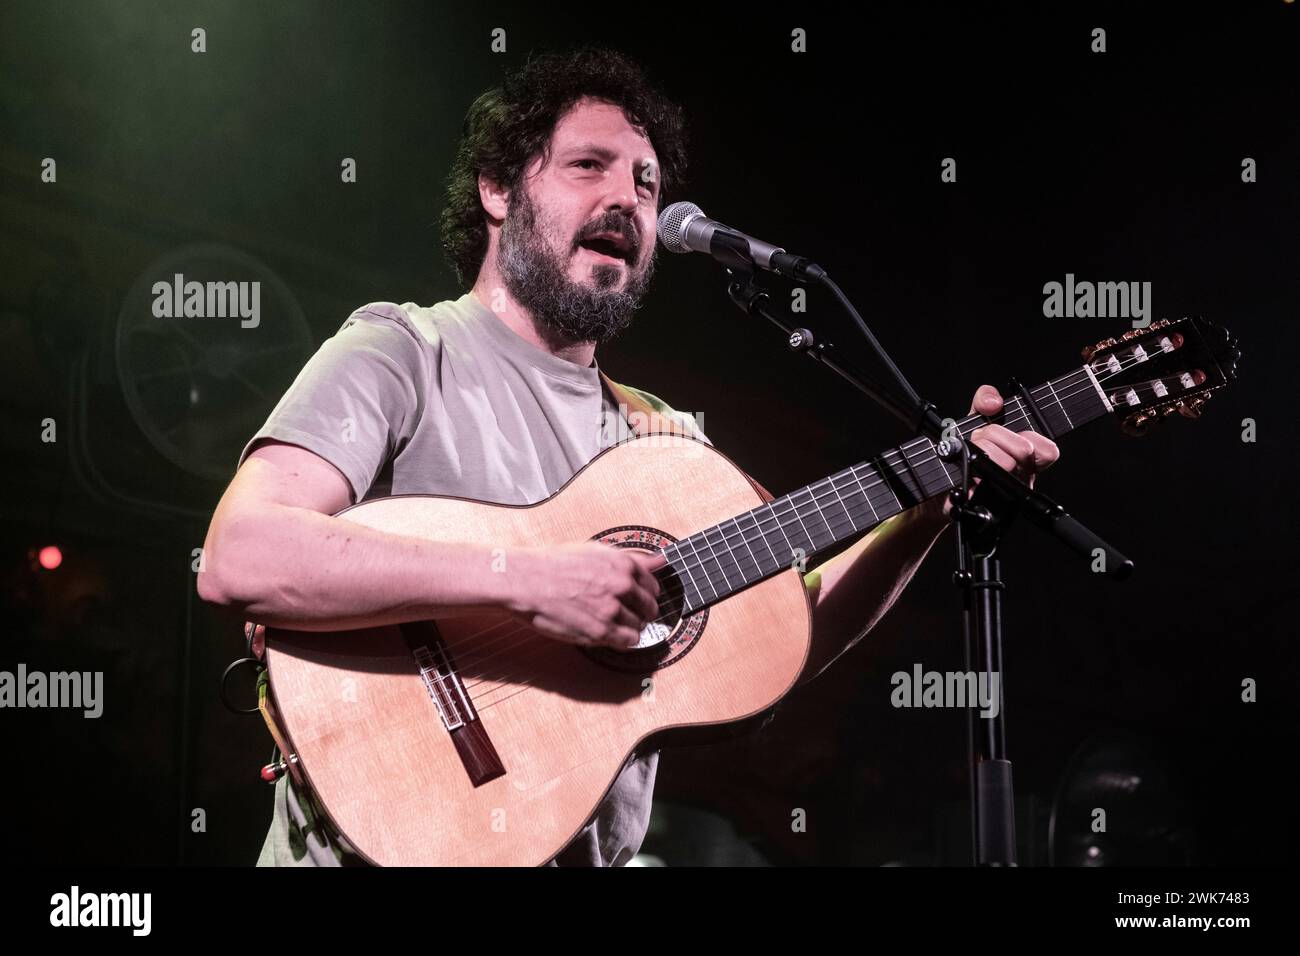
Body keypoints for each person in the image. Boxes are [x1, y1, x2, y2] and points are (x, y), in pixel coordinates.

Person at [197, 47, 1059, 867]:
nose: (629, 200)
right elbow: (242, 556)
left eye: (647, 184)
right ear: (499, 188)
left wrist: (928, 510)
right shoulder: (403, 351)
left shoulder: (667, 443)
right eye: (590, 167)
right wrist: (530, 581)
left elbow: (784, 639)